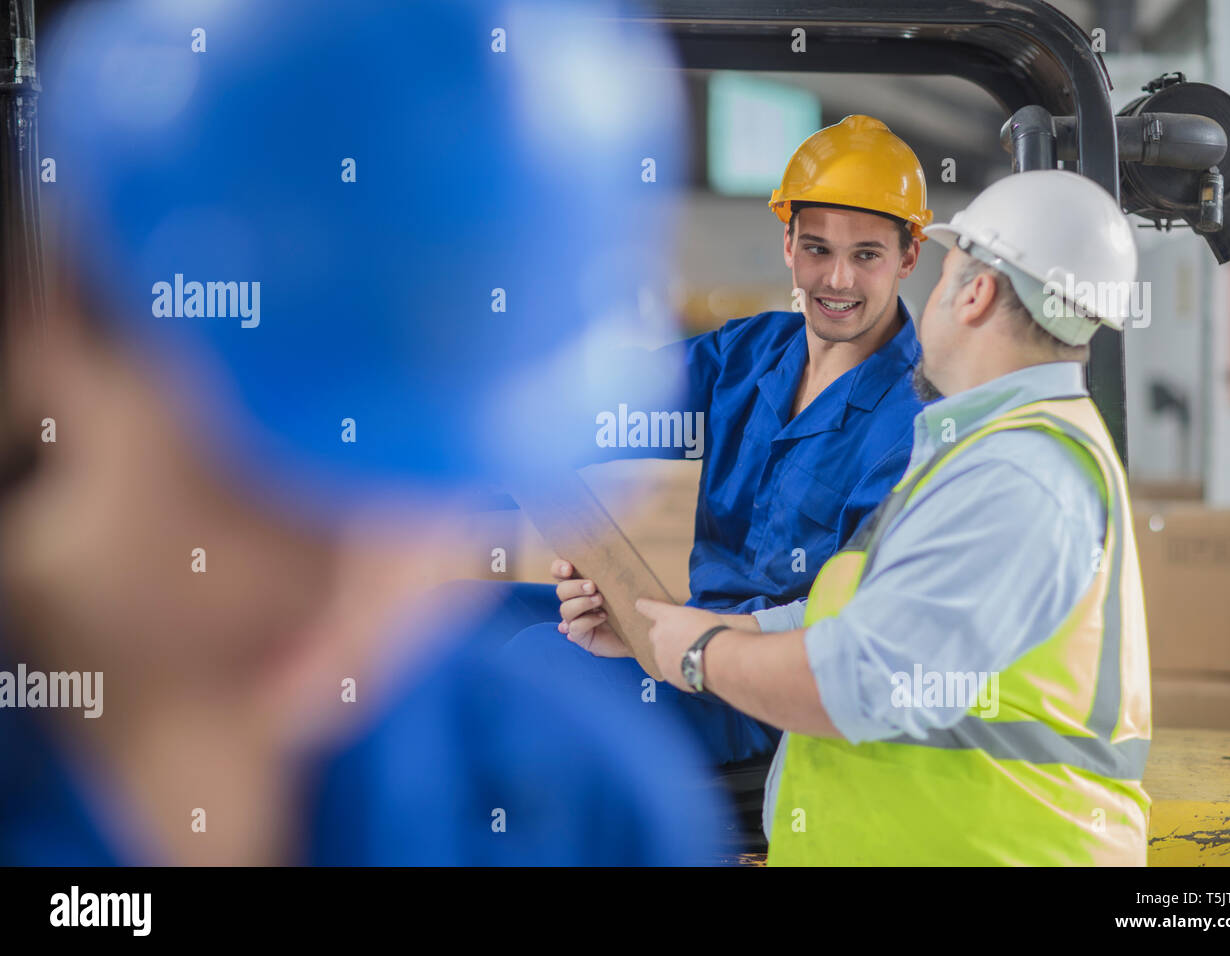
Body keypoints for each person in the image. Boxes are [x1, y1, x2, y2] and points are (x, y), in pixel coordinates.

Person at [0, 0, 729, 865]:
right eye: (266, 474)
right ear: (60, 325)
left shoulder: (580, 805)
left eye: (424, 478)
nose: (341, 580)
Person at [633, 169, 1154, 865]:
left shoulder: (1016, 476)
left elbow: (861, 681)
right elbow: (857, 621)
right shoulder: (984, 450)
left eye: (941, 276)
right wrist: (689, 626)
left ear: (975, 293)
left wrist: (700, 657)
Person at [470, 114, 932, 770]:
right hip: (688, 633)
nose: (836, 280)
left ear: (908, 256)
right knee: (468, 619)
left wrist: (669, 642)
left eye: (866, 255)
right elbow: (613, 409)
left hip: (761, 693)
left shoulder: (912, 423)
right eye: (818, 249)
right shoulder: (752, 354)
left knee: (537, 668)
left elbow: (845, 632)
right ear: (789, 244)